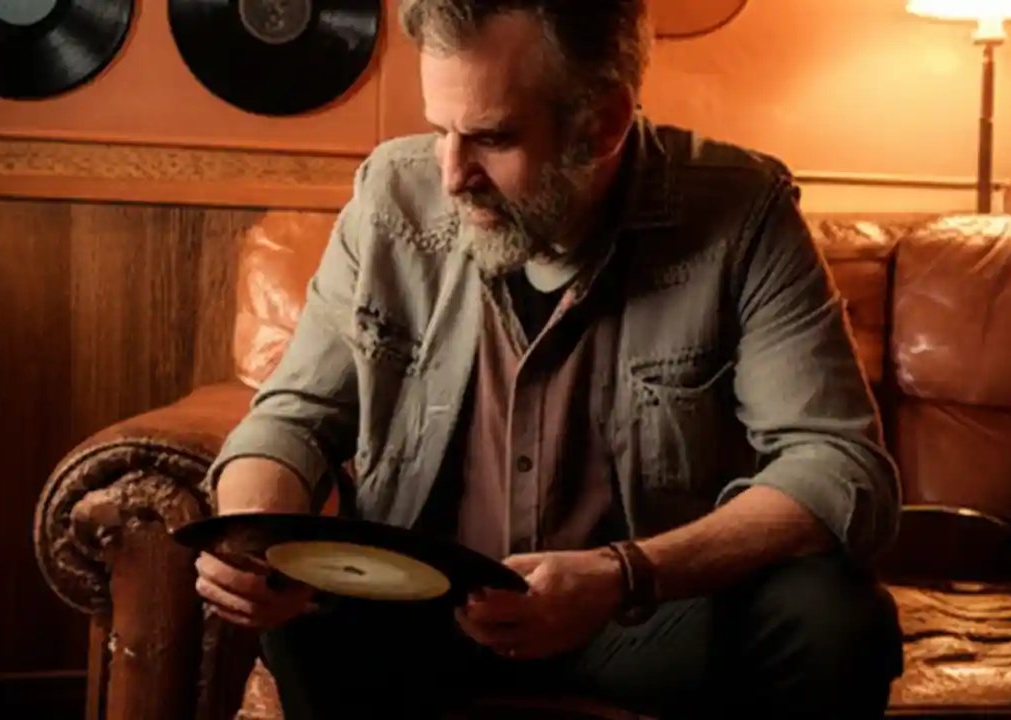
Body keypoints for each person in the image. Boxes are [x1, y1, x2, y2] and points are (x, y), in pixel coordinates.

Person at [194, 1, 905, 717]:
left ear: (602, 123)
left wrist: (622, 575)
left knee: (836, 619)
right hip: (416, 615)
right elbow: (294, 416)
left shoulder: (742, 213)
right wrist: (253, 534)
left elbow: (836, 463)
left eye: (491, 137)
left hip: (639, 620)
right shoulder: (390, 196)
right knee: (307, 616)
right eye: (440, 130)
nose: (450, 174)